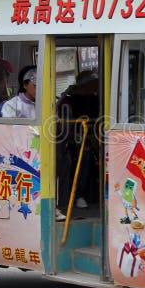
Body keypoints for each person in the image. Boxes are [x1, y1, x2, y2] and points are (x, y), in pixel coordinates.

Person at [56, 70, 100, 219]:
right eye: (93, 84)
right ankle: (78, 194)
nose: (96, 87)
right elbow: (65, 126)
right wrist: (85, 139)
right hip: (73, 141)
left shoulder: (96, 99)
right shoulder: (68, 100)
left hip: (96, 137)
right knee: (85, 154)